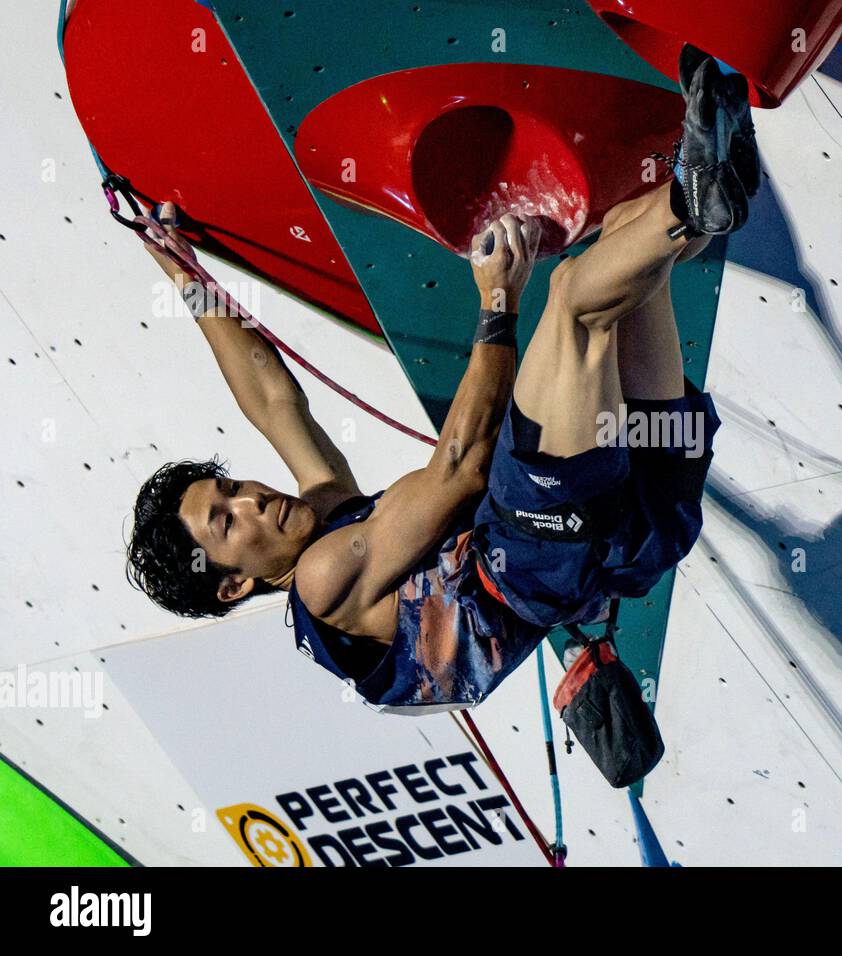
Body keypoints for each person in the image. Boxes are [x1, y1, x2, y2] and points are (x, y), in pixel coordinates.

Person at [126, 47, 759, 711]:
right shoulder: (321, 578)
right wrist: (498, 300)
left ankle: (709, 175)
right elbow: (459, 468)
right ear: (232, 586)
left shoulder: (327, 518)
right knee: (575, 298)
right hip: (548, 548)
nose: (252, 500)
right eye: (227, 522)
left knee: (629, 236)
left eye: (230, 487)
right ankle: (698, 193)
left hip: (649, 526)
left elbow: (274, 402)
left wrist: (186, 278)